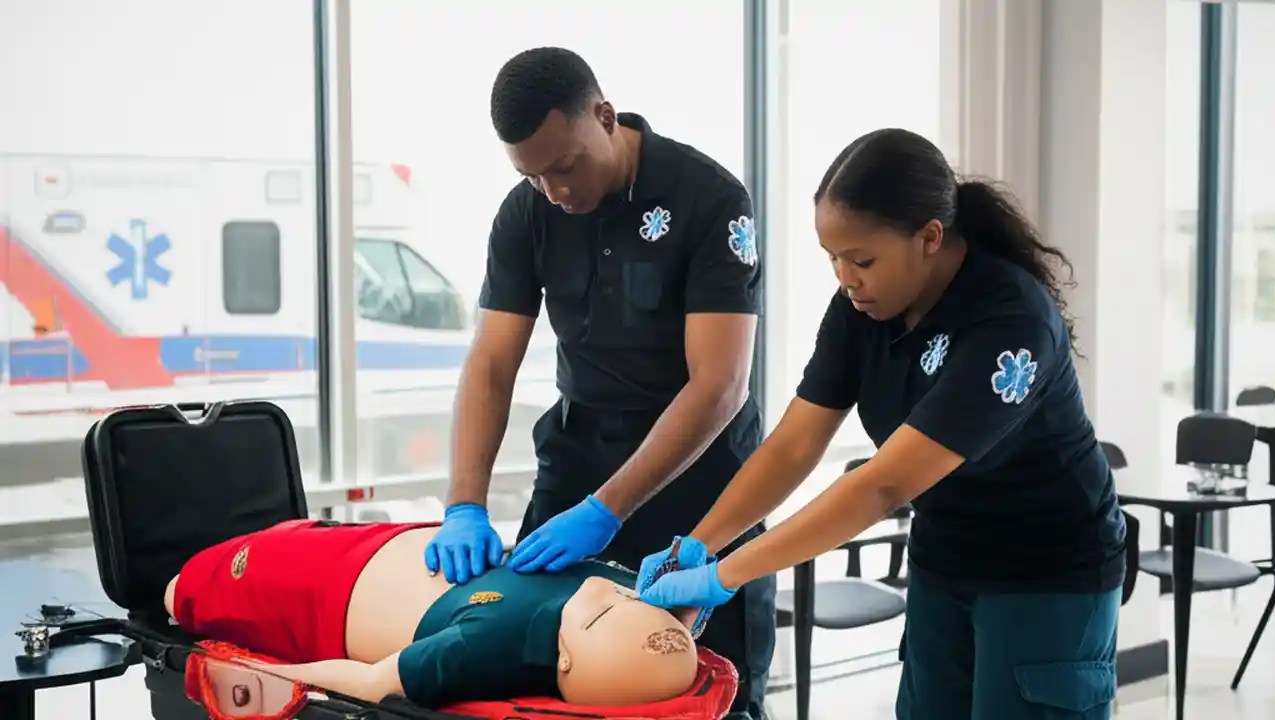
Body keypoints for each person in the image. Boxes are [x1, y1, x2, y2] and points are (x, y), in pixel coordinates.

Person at [636, 128, 1129, 719]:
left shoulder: (1011, 320)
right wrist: (698, 545)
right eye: (833, 258)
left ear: (929, 237)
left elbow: (885, 483)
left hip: (1048, 572)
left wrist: (728, 574)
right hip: (945, 558)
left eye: (862, 259)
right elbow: (795, 444)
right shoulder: (862, 307)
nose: (845, 277)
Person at [423, 46, 775, 719]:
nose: (556, 190)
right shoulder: (526, 213)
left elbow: (720, 385)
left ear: (606, 117)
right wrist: (463, 503)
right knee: (534, 670)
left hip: (700, 483)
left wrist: (609, 510)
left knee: (706, 692)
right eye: (533, 176)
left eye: (565, 166)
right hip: (578, 465)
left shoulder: (709, 199)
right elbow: (493, 362)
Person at [164, 518, 700, 709]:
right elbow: (677, 618)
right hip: (407, 538)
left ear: (561, 658)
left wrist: (267, 674)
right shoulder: (628, 598)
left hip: (317, 593)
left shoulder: (491, 645)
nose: (613, 593)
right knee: (290, 526)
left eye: (602, 612)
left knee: (177, 590)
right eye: (629, 596)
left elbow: (373, 682)